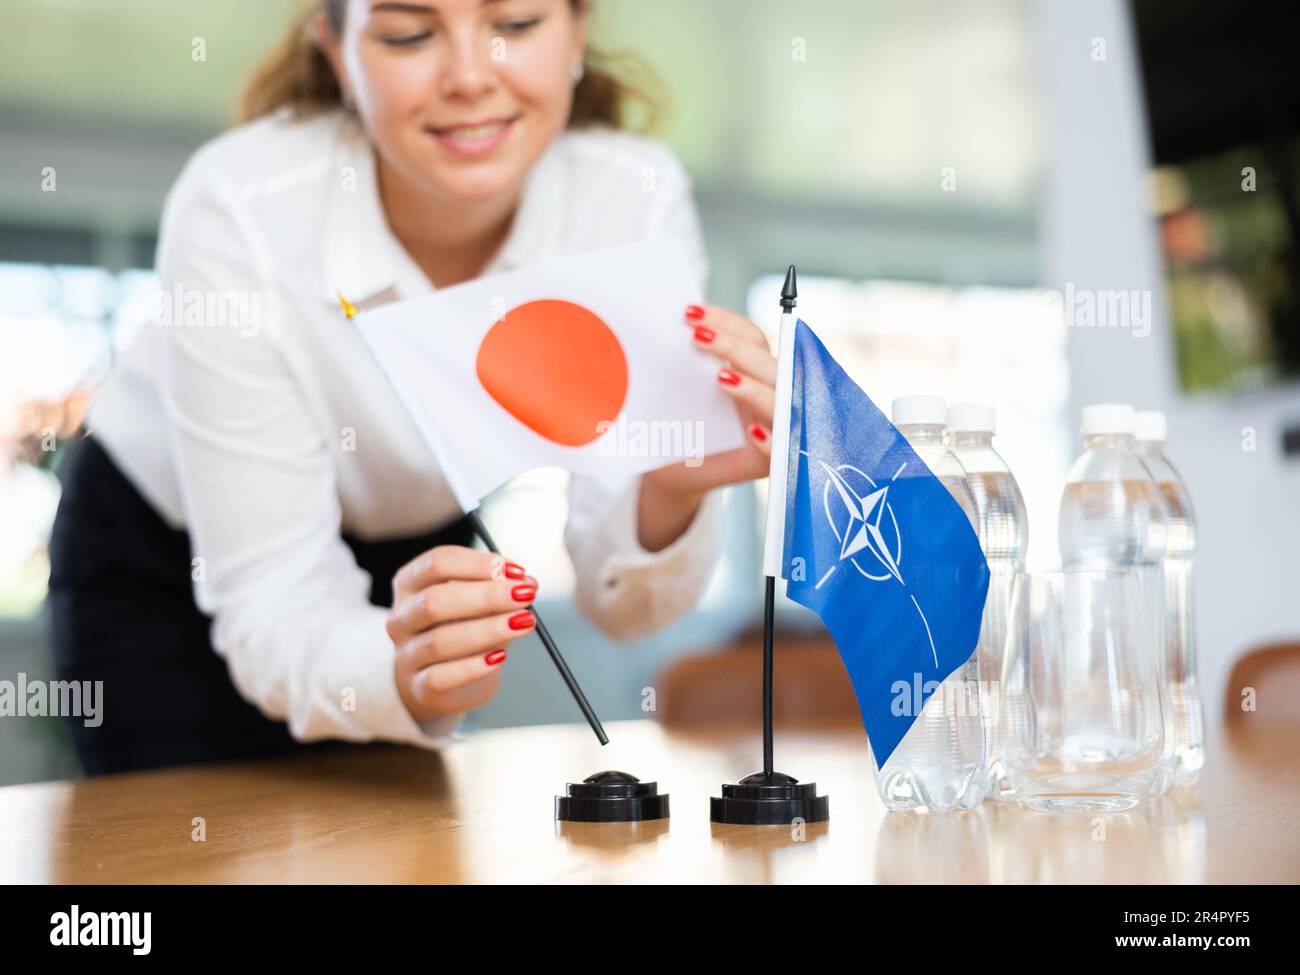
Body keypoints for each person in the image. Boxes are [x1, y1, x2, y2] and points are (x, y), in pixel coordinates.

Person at [49, 0, 777, 774]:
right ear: (336, 48)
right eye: (409, 34)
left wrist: (667, 486)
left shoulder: (632, 194)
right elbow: (274, 601)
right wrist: (401, 676)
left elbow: (622, 607)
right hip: (167, 551)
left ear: (578, 30)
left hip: (419, 532)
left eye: (518, 25)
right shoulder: (239, 206)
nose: (468, 77)